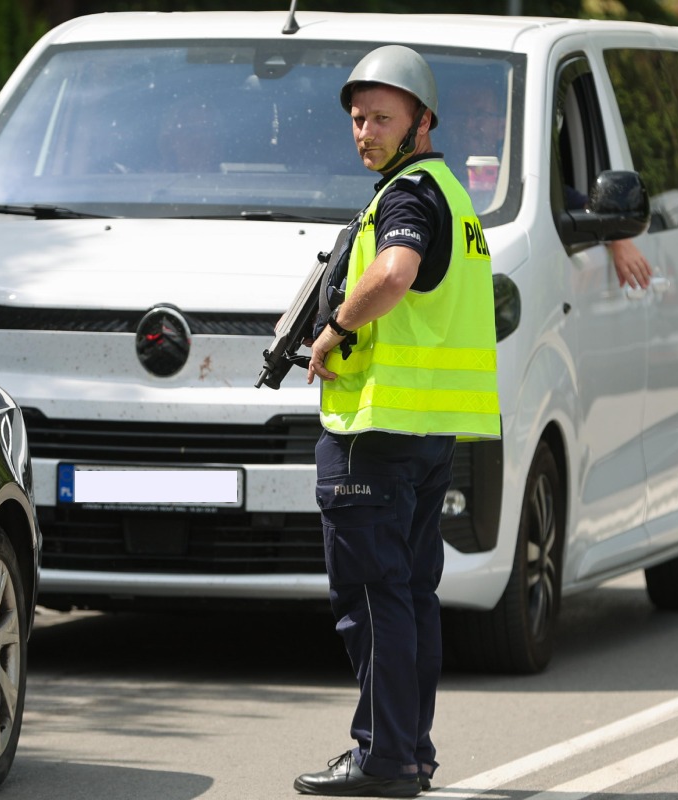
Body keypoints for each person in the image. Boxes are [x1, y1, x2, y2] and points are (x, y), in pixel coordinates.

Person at [292, 45, 501, 799]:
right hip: (427, 432)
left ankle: (383, 759)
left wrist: (336, 328)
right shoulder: (453, 194)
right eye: (357, 118)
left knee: (373, 599)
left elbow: (396, 271)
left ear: (423, 121)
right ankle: (408, 753)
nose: (366, 131)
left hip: (375, 435)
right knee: (409, 595)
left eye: (383, 117)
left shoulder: (408, 196)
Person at [449, 83, 652, 290]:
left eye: (479, 114)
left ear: (502, 127)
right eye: (461, 115)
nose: (469, 124)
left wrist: (618, 238)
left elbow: (581, 206)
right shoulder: (437, 169)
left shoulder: (519, 171)